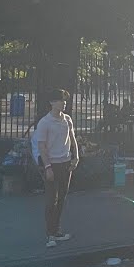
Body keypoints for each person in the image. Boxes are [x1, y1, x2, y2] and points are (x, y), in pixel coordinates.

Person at [35, 88, 80, 247]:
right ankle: (50, 234)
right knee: (50, 200)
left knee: (61, 198)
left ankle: (57, 230)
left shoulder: (67, 119)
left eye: (65, 100)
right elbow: (41, 146)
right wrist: (47, 167)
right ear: (52, 102)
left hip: (65, 162)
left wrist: (76, 156)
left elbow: (72, 139)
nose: (64, 103)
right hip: (52, 163)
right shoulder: (45, 123)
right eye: (61, 100)